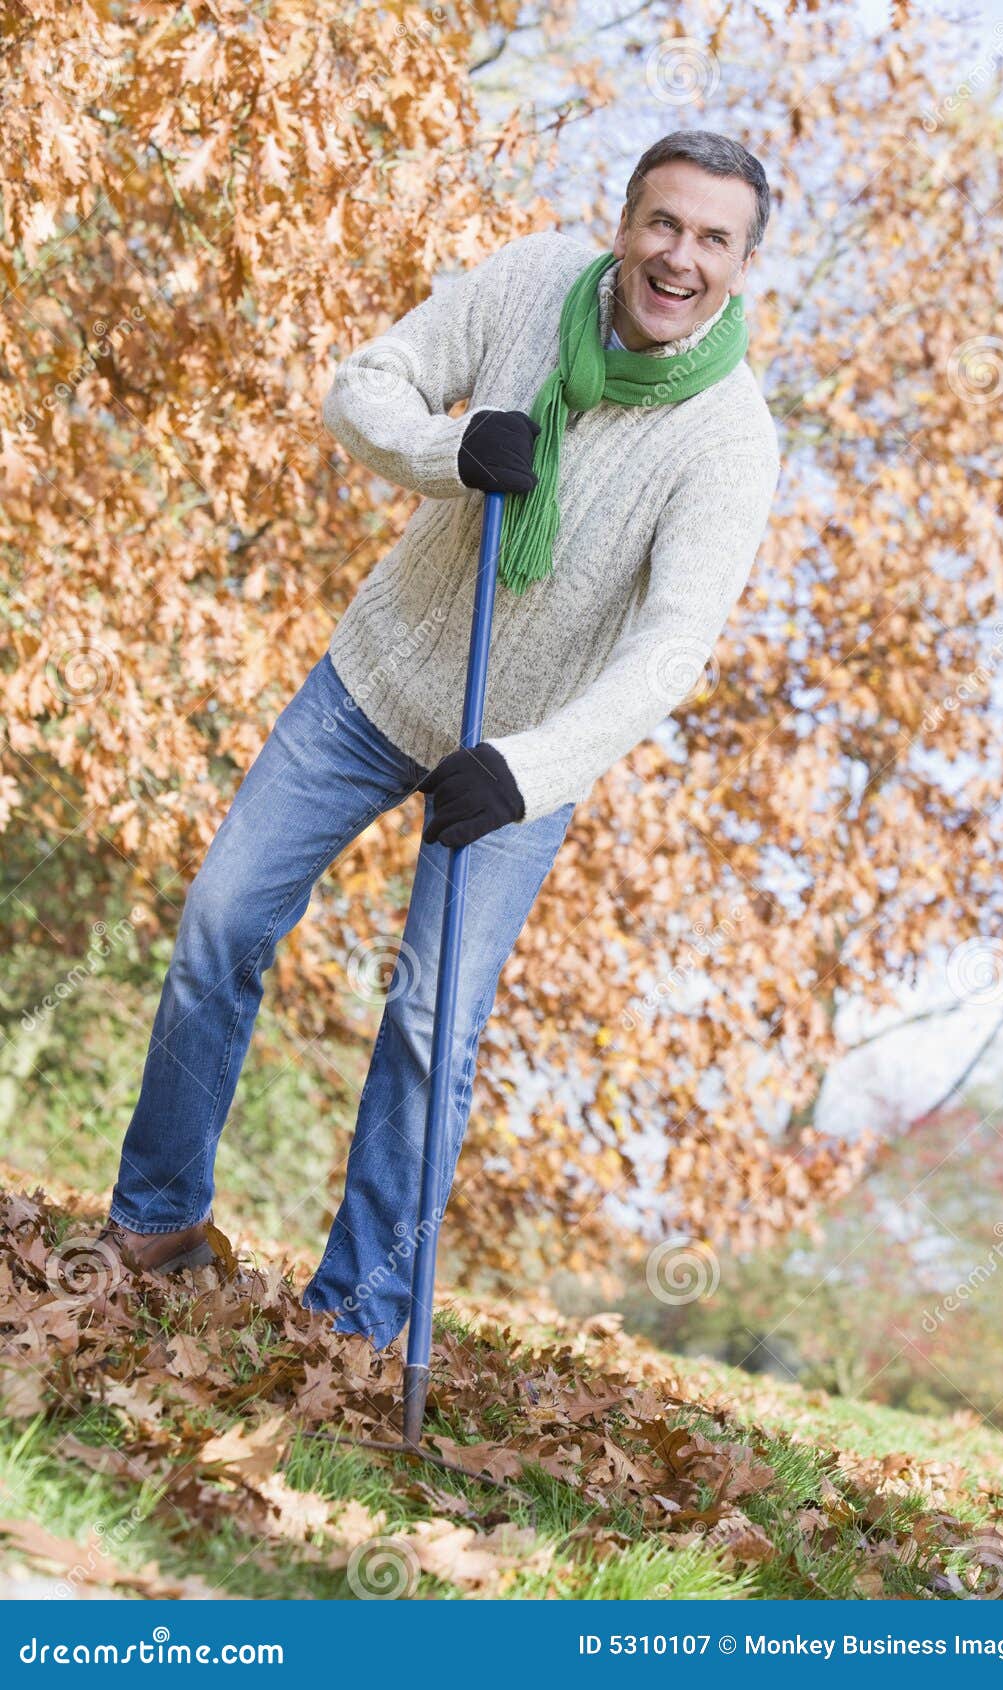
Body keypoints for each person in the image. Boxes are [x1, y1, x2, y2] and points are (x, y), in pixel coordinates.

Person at [97, 129, 781, 1351]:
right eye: (662, 223)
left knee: (428, 1024)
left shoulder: (729, 440)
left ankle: (356, 1324)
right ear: (624, 225)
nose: (679, 256)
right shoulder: (529, 283)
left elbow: (670, 650)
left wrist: (526, 769)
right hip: (375, 682)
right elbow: (362, 382)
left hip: (516, 766)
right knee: (219, 920)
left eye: (711, 239)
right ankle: (156, 1222)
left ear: (740, 264)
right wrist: (446, 451)